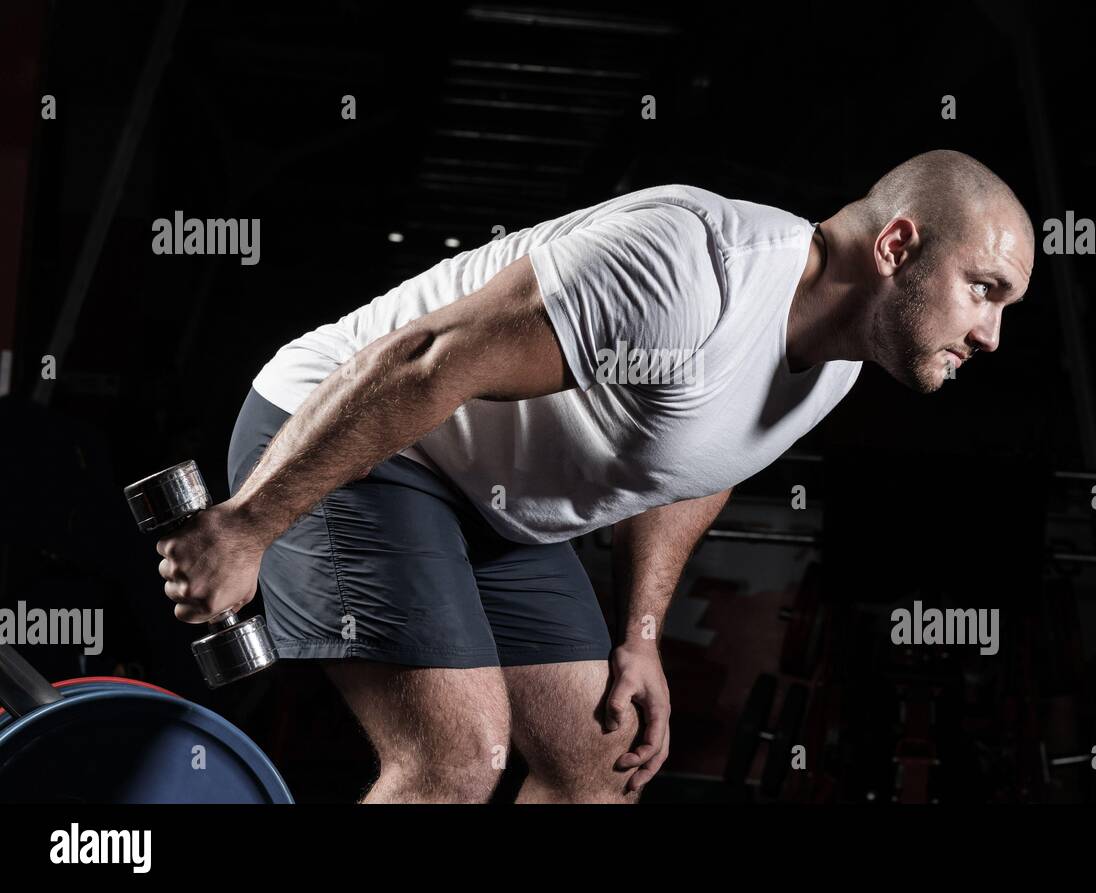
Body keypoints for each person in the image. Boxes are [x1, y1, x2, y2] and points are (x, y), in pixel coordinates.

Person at [154, 148, 1034, 803]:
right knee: (457, 760)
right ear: (897, 246)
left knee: (596, 770)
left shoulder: (837, 358)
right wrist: (248, 523)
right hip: (355, 431)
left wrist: (641, 632)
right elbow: (424, 359)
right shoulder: (695, 273)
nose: (991, 334)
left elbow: (699, 462)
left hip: (494, 504)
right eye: (984, 288)